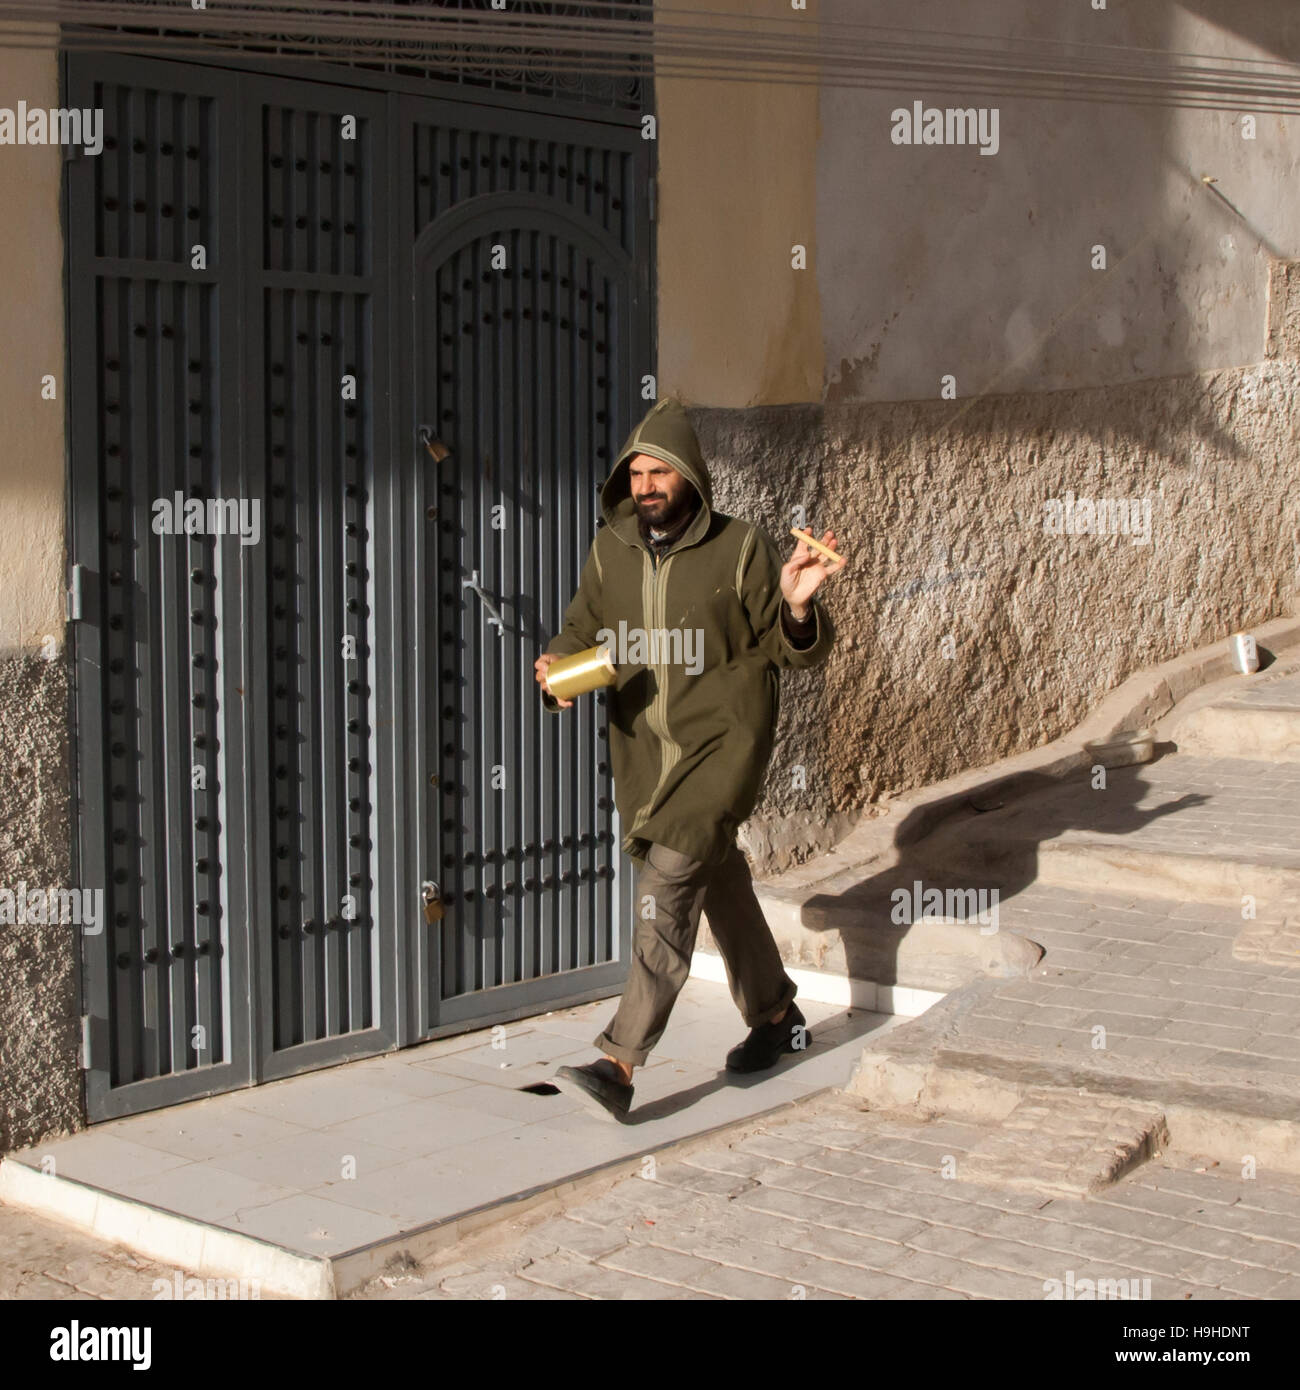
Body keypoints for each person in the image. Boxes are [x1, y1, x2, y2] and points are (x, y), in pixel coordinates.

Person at [535, 396, 841, 1121]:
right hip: (646, 758)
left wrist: (797, 607)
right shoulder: (610, 548)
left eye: (659, 472)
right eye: (635, 472)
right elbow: (584, 626)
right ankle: (775, 1019)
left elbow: (794, 649)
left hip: (722, 751)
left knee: (668, 887)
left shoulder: (741, 548)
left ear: (691, 478)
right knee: (719, 879)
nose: (645, 485)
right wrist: (560, 669)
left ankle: (618, 1062)